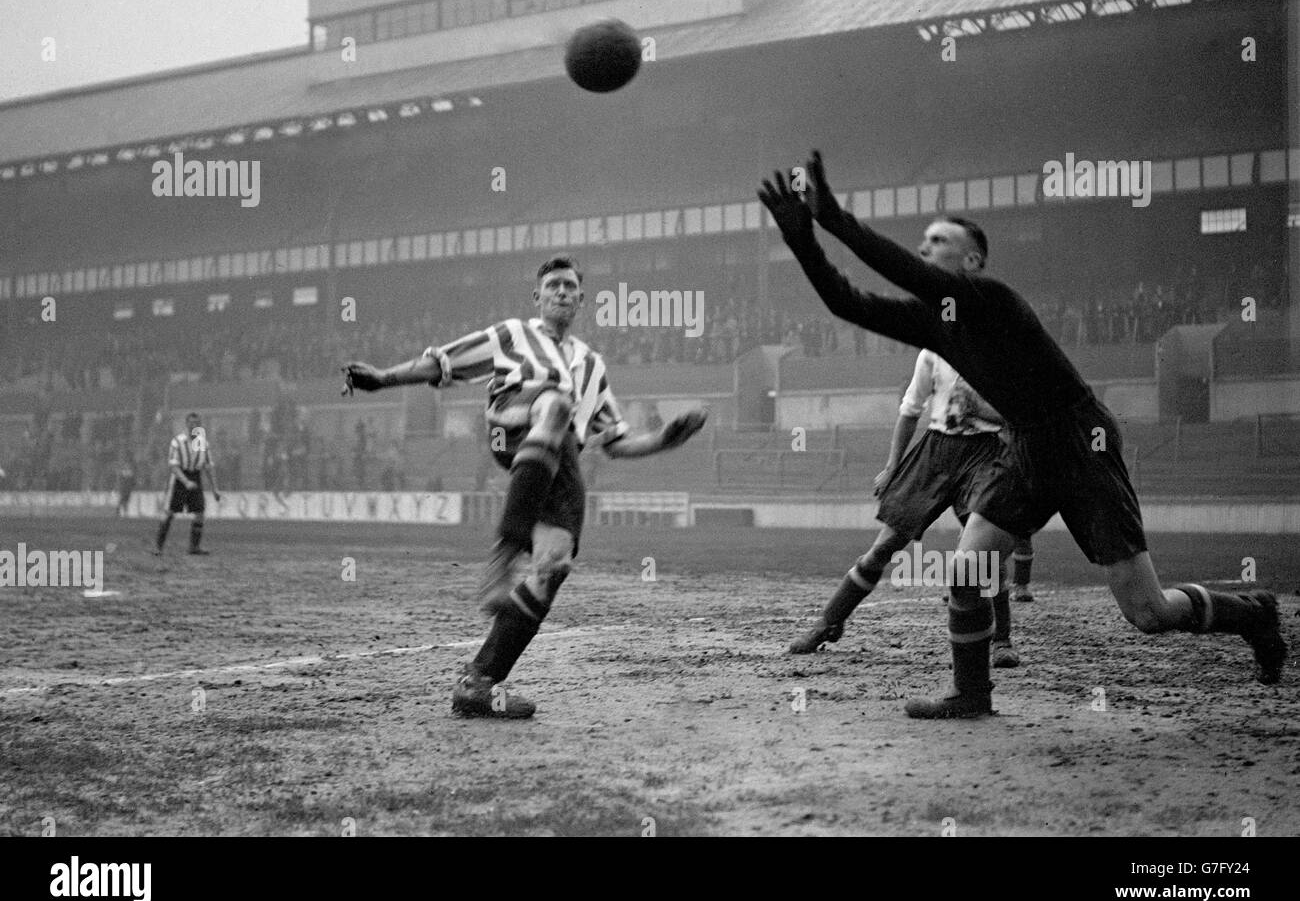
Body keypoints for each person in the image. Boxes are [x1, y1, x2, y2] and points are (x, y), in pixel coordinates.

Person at [759, 151, 1286, 718]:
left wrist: (833, 218)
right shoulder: (931, 323)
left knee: (1148, 614)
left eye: (938, 240)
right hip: (1025, 446)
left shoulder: (992, 298)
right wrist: (800, 239)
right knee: (967, 573)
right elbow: (844, 300)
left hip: (1082, 442)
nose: (924, 249)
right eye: (925, 241)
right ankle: (971, 696)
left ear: (973, 258)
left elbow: (904, 272)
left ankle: (1253, 612)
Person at [341, 255, 708, 720]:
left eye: (569, 286)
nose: (561, 292)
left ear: (581, 299)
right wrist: (383, 378)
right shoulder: (512, 335)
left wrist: (668, 438)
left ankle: (478, 683)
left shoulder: (593, 365)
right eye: (552, 285)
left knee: (553, 567)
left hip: (562, 463)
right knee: (555, 403)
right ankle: (504, 555)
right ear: (537, 297)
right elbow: (443, 363)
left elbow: (616, 442)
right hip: (513, 423)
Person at [790, 348, 1034, 667]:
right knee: (884, 547)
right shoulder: (932, 354)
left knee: (984, 554)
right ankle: (829, 623)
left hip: (985, 455)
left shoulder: (999, 353)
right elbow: (910, 411)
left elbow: (1023, 415)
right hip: (935, 453)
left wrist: (980, 410)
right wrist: (892, 467)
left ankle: (1001, 641)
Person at [155, 412, 221, 557]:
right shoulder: (177, 442)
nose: (194, 425)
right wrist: (185, 481)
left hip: (195, 476)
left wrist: (215, 488)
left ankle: (194, 547)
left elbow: (208, 467)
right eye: (191, 423)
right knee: (170, 513)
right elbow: (173, 466)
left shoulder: (203, 444)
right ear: (186, 424)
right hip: (179, 477)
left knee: (200, 512)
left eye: (197, 423)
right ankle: (159, 547)